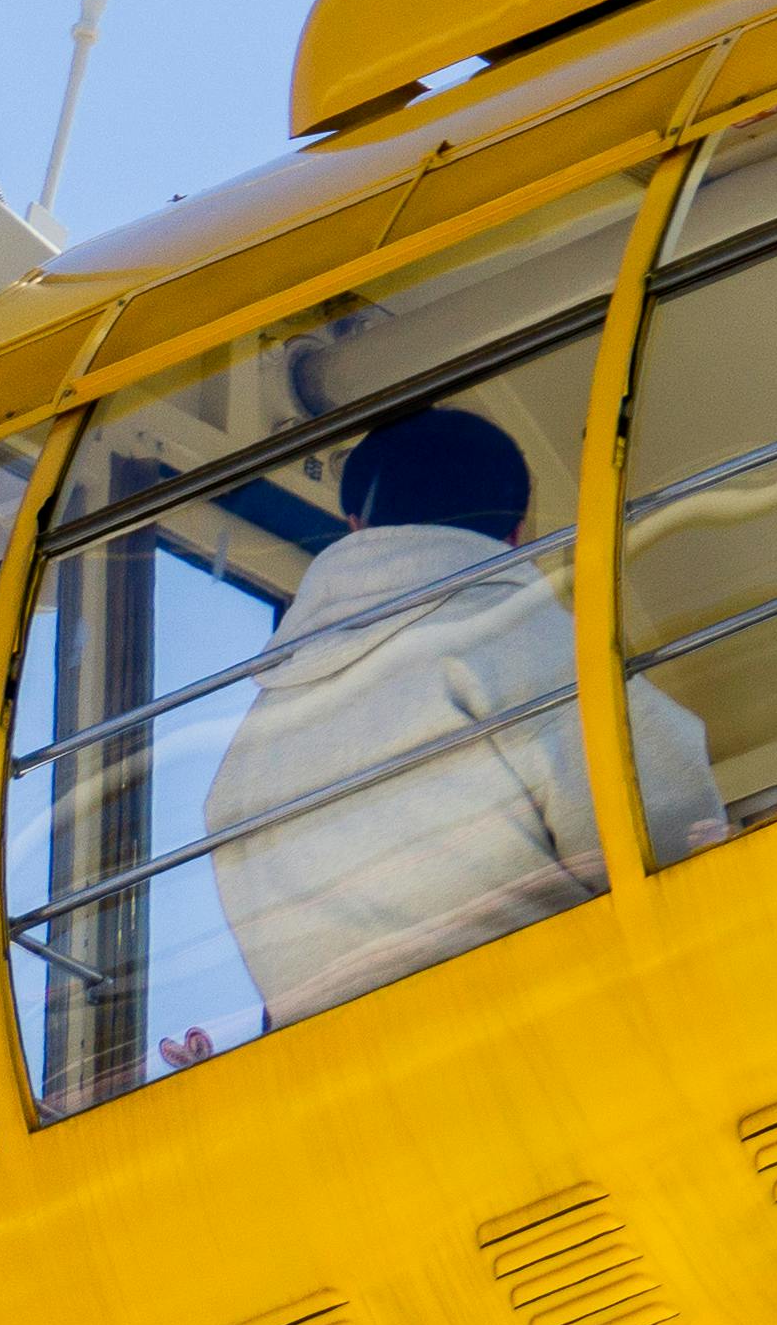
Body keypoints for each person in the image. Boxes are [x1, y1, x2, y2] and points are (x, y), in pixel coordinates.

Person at [205, 407, 723, 1030]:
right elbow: (672, 842)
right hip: (557, 1032)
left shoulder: (251, 746)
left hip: (357, 1088)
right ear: (518, 529)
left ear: (354, 527)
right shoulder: (511, 637)